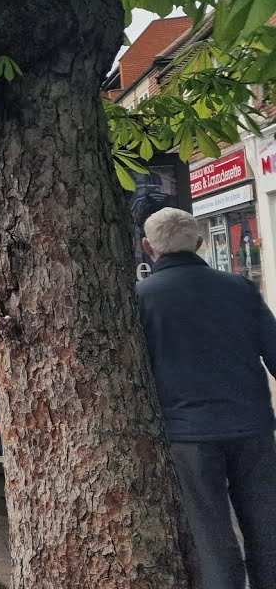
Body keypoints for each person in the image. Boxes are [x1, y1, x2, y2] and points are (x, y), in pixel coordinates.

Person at [136, 207, 276, 589]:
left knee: (210, 536)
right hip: (253, 430)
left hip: (187, 436)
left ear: (148, 247)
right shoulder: (240, 289)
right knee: (266, 527)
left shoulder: (141, 299)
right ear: (199, 243)